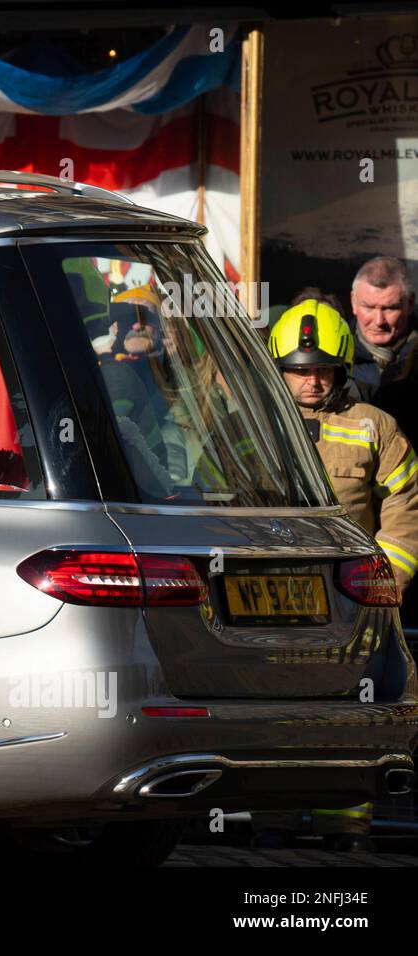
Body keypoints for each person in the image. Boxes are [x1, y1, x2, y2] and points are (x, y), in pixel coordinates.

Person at [252, 295, 418, 851]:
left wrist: (383, 584)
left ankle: (342, 824)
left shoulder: (375, 427)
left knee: (349, 712)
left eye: (323, 369)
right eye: (299, 370)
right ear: (279, 370)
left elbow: (406, 508)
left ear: (342, 368)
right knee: (273, 709)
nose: (312, 381)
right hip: (265, 595)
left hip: (351, 599)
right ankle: (272, 818)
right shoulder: (249, 423)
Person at [349, 256, 417, 402]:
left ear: (410, 303)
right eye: (368, 307)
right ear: (353, 302)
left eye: (390, 308)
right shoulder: (334, 356)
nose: (379, 321)